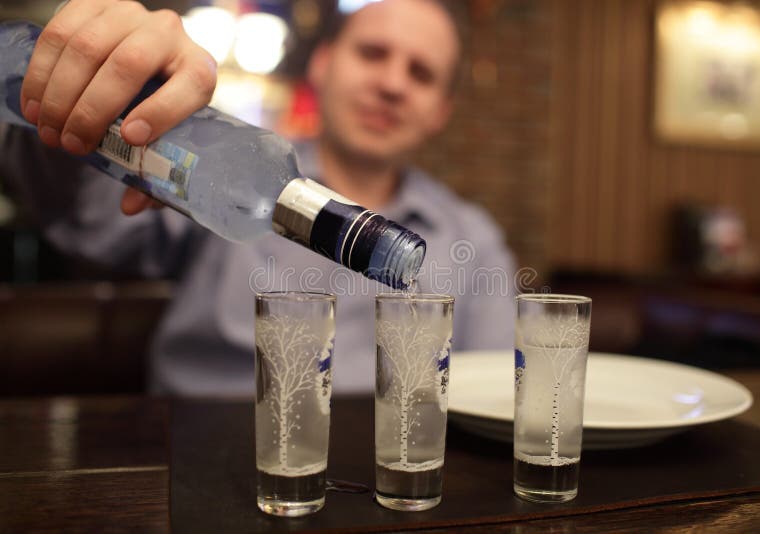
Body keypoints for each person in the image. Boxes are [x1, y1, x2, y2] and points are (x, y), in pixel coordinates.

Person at [0, 0, 516, 395]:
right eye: (373, 53)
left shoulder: (473, 241)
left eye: (420, 73)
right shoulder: (230, 167)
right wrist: (76, 95)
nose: (392, 83)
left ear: (440, 111)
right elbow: (85, 222)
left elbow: (493, 393)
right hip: (196, 459)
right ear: (323, 64)